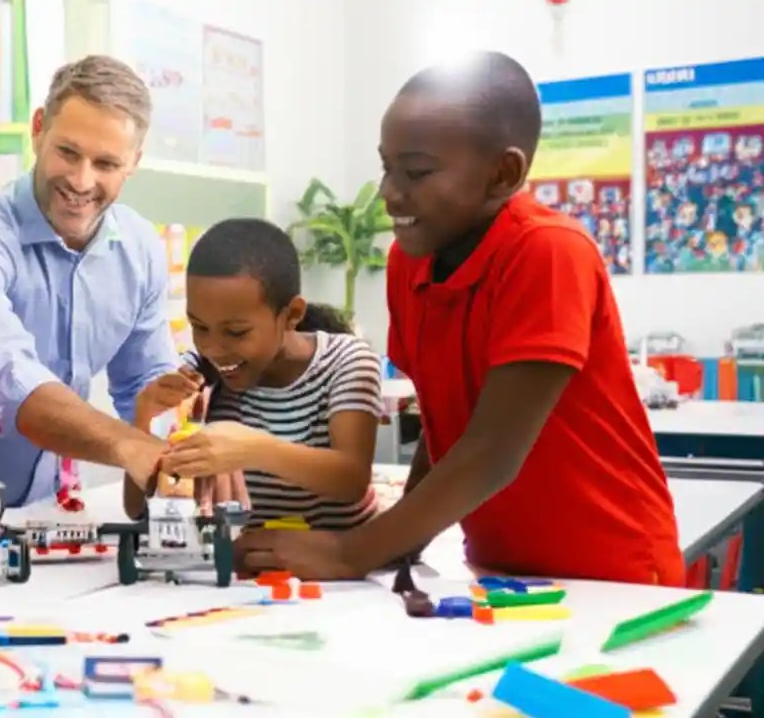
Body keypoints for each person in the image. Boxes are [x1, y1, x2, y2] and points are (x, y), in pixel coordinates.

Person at [237, 51, 683, 586]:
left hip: (610, 569)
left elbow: (492, 451)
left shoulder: (548, 252)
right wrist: (399, 545)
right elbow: (445, 424)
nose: (389, 192)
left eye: (417, 171)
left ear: (504, 173)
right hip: (500, 566)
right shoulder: (411, 260)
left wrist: (351, 552)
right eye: (387, 166)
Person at [0, 55, 242, 518]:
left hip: (51, 512)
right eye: (68, 153)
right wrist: (130, 446)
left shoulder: (139, 247)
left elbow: (147, 386)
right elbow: (9, 374)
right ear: (38, 129)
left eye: (106, 163)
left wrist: (190, 443)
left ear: (134, 163)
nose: (81, 181)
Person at [136, 218, 383, 529]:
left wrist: (251, 449)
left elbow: (351, 479)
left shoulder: (347, 360)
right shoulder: (199, 375)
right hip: (250, 564)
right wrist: (144, 420)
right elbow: (137, 509)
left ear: (291, 315)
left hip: (343, 560)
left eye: (236, 332)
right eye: (199, 327)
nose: (213, 348)